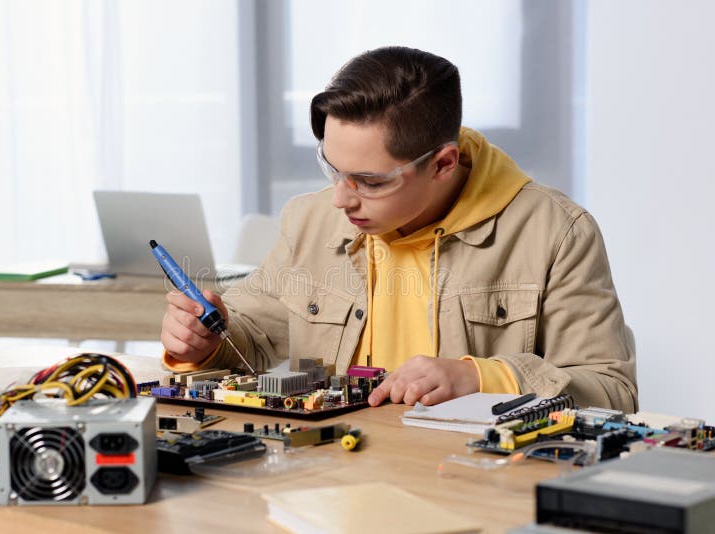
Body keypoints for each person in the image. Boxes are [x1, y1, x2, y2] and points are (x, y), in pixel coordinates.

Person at [160, 46, 638, 412]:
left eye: (370, 181)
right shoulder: (308, 219)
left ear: (443, 164)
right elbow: (248, 339)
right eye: (332, 169)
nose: (341, 198)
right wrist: (204, 343)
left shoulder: (556, 232)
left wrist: (480, 378)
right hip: (335, 479)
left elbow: (613, 391)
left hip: (469, 485)